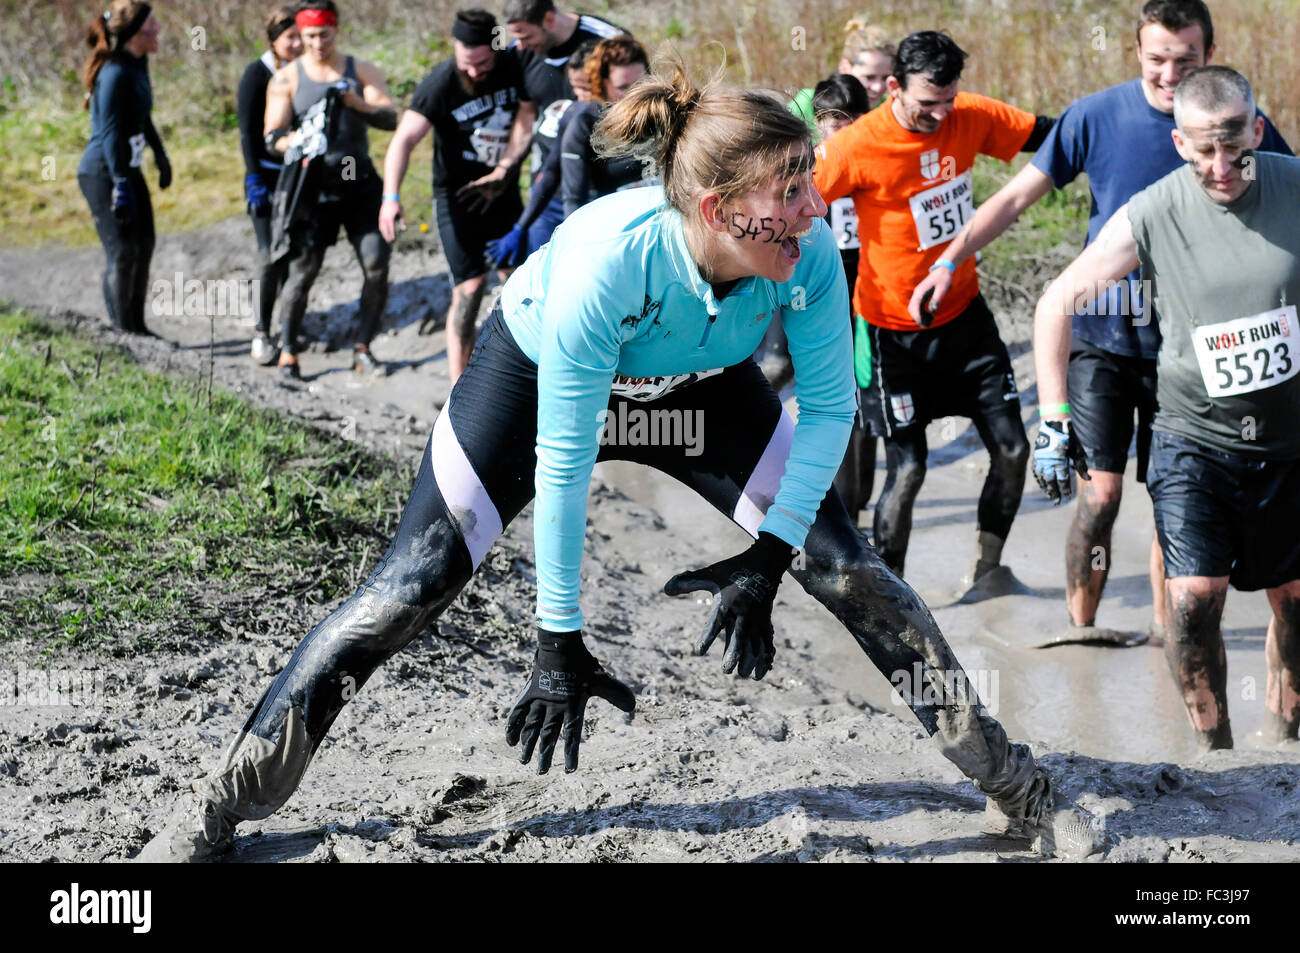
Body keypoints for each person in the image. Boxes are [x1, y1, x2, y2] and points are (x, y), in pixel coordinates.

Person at [138, 59, 1061, 862]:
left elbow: (826, 411)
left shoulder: (808, 250)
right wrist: (557, 641)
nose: (816, 207)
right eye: (789, 192)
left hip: (698, 389)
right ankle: (223, 802)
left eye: (808, 184)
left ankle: (1017, 788)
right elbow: (566, 465)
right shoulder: (605, 266)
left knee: (851, 571)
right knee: (405, 591)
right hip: (534, 376)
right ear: (719, 208)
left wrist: (769, 554)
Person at [910, 0, 1293, 642]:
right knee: (1102, 494)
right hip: (1103, 340)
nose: (1171, 74)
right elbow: (1013, 198)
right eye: (1158, 60)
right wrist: (950, 260)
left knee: (1168, 503)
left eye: (1187, 60)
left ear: (1210, 55)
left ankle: (1167, 638)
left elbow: (1280, 206)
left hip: (1192, 352)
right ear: (1137, 54)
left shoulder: (1235, 125)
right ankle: (1080, 631)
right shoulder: (1096, 116)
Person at [1032, 67, 1300, 751]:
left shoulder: (1294, 189)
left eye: (1234, 147)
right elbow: (1056, 303)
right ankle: (1215, 754)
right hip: (1192, 435)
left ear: (1257, 130)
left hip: (1289, 441)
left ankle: (1283, 743)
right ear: (1180, 143)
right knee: (1191, 603)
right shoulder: (1151, 210)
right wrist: (1054, 419)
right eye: (1203, 151)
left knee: (1295, 606)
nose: (1221, 167)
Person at [813, 31, 1054, 591]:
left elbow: (1057, 136)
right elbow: (792, 199)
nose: (940, 115)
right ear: (894, 87)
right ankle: (892, 604)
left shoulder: (967, 115)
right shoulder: (858, 144)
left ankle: (988, 572)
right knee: (911, 468)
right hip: (892, 334)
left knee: (1015, 449)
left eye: (948, 101)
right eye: (927, 104)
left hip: (966, 319)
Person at [380, 8, 537, 385]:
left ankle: (525, 372)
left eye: (481, 62)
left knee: (518, 281)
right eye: (466, 62)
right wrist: (390, 196)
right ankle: (458, 386)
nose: (473, 71)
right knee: (469, 288)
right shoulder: (440, 83)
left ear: (495, 48)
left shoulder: (513, 65)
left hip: (500, 192)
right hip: (457, 198)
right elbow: (404, 139)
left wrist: (505, 167)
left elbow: (527, 116)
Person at [263, 0, 397, 380]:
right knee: (303, 273)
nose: (318, 43)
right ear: (300, 36)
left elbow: (391, 117)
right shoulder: (286, 78)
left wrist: (357, 104)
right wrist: (297, 141)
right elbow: (272, 136)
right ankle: (288, 350)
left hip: (359, 185)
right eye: (309, 36)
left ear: (336, 30)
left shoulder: (361, 71)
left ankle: (363, 348)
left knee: (376, 264)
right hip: (313, 191)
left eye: (324, 34)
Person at [503, 0, 626, 254]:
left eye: (526, 36)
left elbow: (636, 100)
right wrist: (505, 165)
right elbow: (526, 114)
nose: (520, 45)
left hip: (599, 185)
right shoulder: (519, 50)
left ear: (548, 20)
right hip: (549, 182)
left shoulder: (610, 40)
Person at [77, 1, 169, 337]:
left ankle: (138, 328)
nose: (158, 30)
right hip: (102, 173)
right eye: (153, 25)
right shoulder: (114, 73)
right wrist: (119, 182)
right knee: (123, 251)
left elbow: (142, 117)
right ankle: (122, 335)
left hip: (127, 171)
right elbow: (112, 132)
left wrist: (160, 156)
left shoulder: (137, 63)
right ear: (137, 32)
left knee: (145, 244)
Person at [811, 75, 877, 523]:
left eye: (853, 125)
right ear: (819, 125)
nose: (845, 136)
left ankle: (857, 505)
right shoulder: (810, 165)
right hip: (821, 290)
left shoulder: (876, 159)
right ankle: (839, 510)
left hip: (870, 289)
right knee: (836, 399)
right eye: (836, 126)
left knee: (865, 393)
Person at [484, 39, 597, 270]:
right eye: (574, 88)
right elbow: (551, 170)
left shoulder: (628, 118)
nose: (579, 96)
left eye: (585, 88)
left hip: (596, 207)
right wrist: (521, 226)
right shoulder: (573, 115)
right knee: (538, 275)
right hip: (555, 202)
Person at [238, 4, 302, 366]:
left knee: (297, 256)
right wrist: (253, 178)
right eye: (288, 38)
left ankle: (290, 326)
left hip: (300, 178)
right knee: (270, 256)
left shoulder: (307, 72)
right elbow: (247, 131)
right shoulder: (256, 74)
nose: (296, 44)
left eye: (299, 36)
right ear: (274, 41)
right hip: (266, 178)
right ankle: (261, 330)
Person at [558, 36, 655, 216]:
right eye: (623, 87)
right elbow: (574, 201)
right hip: (615, 225)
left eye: (641, 84)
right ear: (602, 85)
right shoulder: (585, 124)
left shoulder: (666, 113)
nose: (635, 95)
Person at [790, 20, 894, 132]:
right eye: (869, 77)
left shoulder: (890, 109)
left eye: (885, 78)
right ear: (845, 67)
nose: (878, 87)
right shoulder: (807, 103)